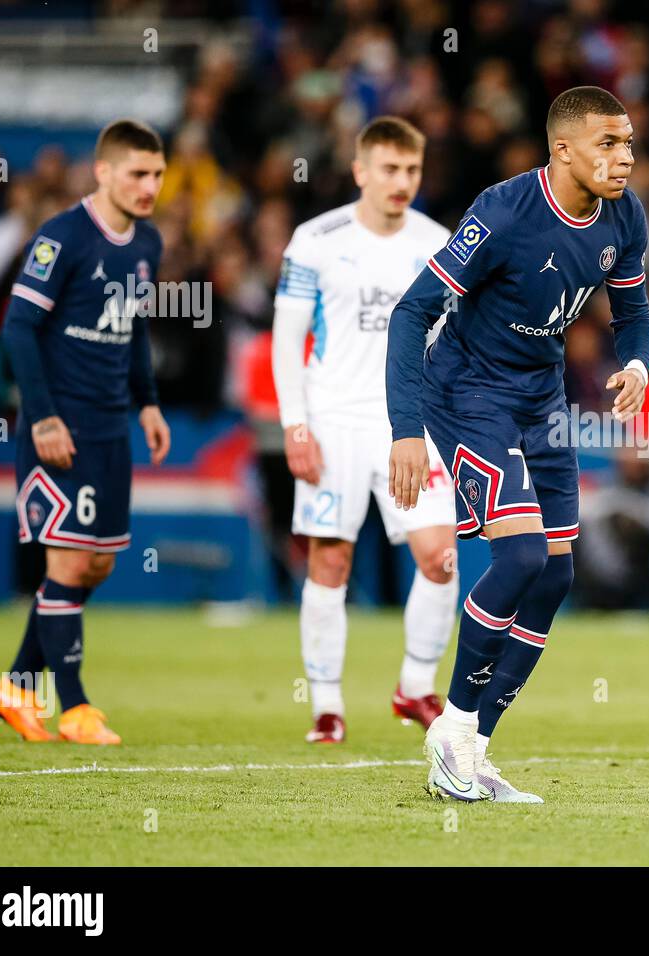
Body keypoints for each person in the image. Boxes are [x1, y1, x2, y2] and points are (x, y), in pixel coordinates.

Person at [387, 86, 649, 802]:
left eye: (628, 143)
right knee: (523, 554)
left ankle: (473, 748)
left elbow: (633, 313)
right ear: (562, 149)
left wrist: (635, 366)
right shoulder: (504, 211)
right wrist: (405, 432)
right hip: (467, 393)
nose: (624, 158)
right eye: (608, 143)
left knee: (556, 575)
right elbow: (411, 313)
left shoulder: (624, 216)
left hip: (542, 397)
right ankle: (452, 726)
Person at [272, 117, 459, 744]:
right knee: (332, 560)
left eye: (411, 170)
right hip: (336, 420)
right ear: (360, 171)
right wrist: (296, 426)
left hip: (410, 426)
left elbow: (447, 340)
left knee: (441, 558)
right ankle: (326, 704)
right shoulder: (315, 240)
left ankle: (415, 686)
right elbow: (287, 337)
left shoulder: (440, 242)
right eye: (388, 169)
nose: (401, 182)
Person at [0, 120, 172, 745]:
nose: (149, 186)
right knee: (66, 561)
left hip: (110, 426)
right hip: (58, 426)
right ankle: (75, 707)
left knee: (95, 567)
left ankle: (14, 686)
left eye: (157, 174)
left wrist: (146, 403)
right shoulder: (62, 236)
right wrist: (41, 416)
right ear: (104, 172)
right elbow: (17, 327)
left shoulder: (146, 244)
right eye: (137, 174)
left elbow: (134, 326)